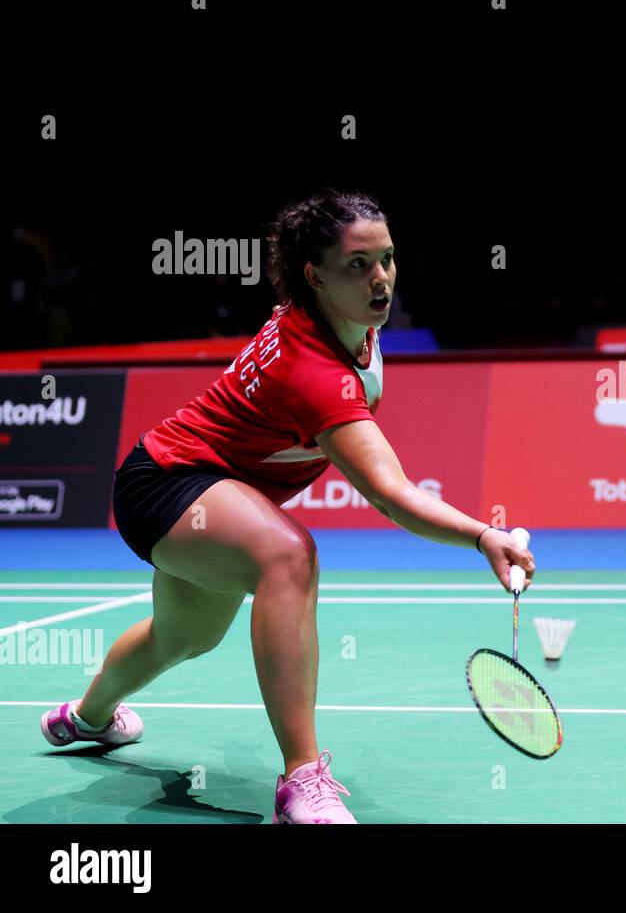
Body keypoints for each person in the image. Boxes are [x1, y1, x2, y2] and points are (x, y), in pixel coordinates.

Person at [39, 190, 536, 821]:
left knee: (181, 638)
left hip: (208, 489)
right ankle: (301, 780)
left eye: (387, 259)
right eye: (358, 265)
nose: (380, 278)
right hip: (165, 484)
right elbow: (390, 494)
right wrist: (482, 536)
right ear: (315, 276)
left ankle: (85, 718)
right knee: (288, 557)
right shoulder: (315, 371)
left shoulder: (341, 322)